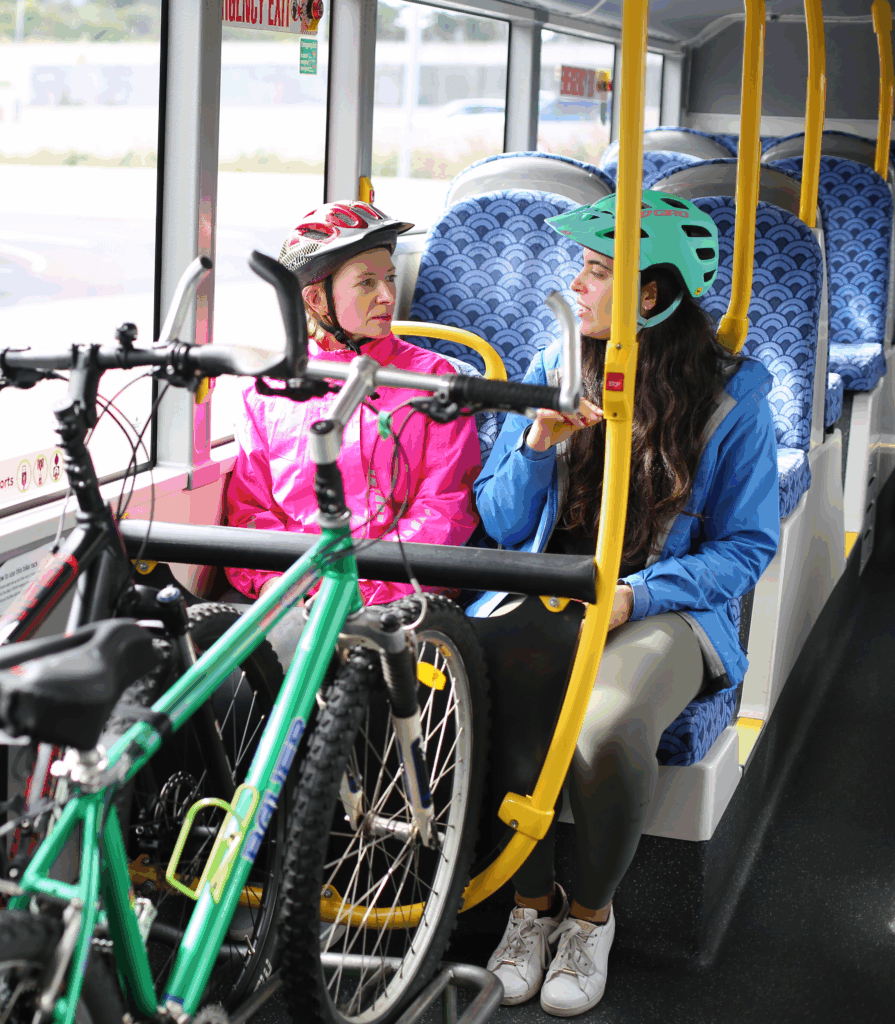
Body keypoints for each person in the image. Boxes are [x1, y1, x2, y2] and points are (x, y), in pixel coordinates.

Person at [473, 191, 780, 1017]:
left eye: (598, 270)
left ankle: (589, 919)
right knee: (495, 700)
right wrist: (537, 443)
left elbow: (747, 547)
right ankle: (528, 907)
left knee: (605, 729)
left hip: (663, 605)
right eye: (582, 267)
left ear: (651, 294)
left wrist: (638, 595)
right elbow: (501, 522)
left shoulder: (733, 397)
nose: (578, 284)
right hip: (553, 588)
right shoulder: (555, 363)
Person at [222, 200, 482, 635]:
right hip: (296, 590)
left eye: (390, 278)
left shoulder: (434, 380)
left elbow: (445, 505)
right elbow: (252, 510)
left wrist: (363, 590)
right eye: (366, 283)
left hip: (403, 592)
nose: (388, 296)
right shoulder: (267, 391)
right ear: (316, 299)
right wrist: (274, 584)